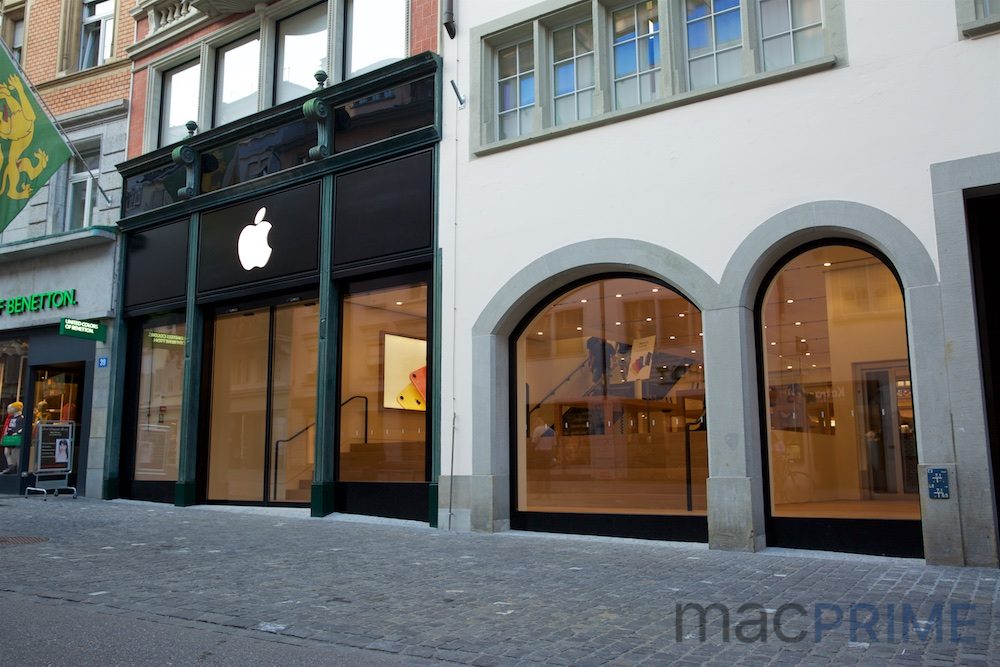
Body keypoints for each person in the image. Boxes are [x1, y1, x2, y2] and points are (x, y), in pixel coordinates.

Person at [1, 401, 25, 474]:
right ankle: (11, 466)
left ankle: (17, 468)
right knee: (6, 452)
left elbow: (23, 427)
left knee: (16, 453)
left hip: (16, 437)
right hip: (9, 436)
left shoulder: (21, 418)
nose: (8, 410)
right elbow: (9, 426)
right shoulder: (11, 418)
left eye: (10, 408)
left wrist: (18, 433)